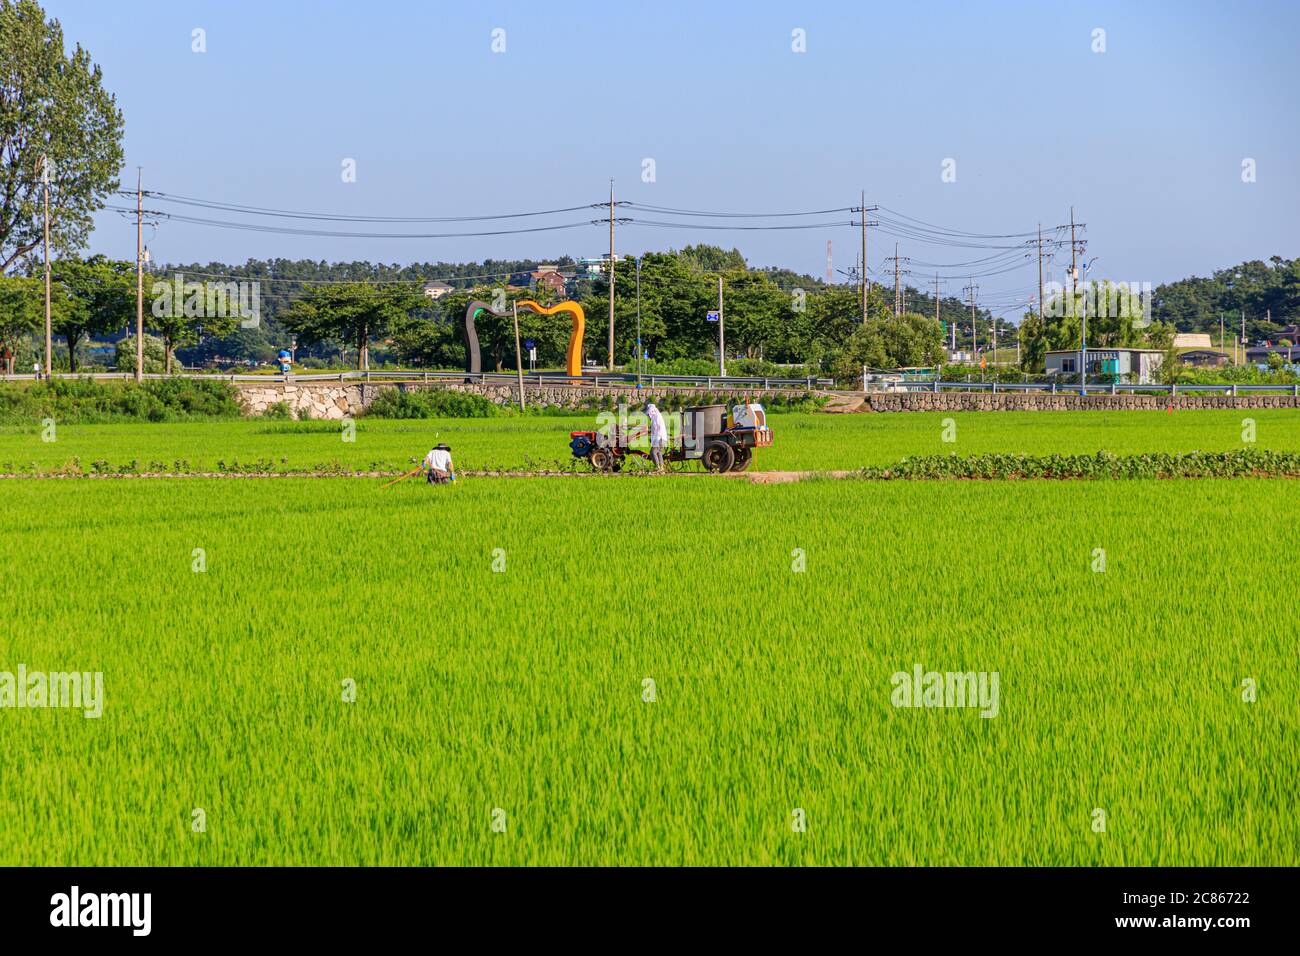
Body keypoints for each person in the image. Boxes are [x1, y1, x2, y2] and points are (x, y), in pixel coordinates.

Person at [645, 402, 668, 471]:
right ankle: (662, 467)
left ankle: (657, 467)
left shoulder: (657, 417)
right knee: (659, 453)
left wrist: (652, 433)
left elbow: (658, 427)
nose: (649, 415)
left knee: (653, 452)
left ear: (652, 412)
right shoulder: (657, 416)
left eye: (649, 414)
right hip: (662, 438)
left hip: (659, 438)